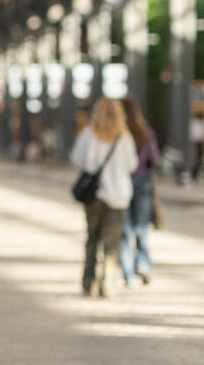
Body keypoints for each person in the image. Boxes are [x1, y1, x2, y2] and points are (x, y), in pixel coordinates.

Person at [70, 97, 138, 298]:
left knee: (92, 238)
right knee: (112, 241)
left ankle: (88, 281)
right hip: (118, 195)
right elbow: (132, 165)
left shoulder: (88, 135)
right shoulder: (125, 137)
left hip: (95, 194)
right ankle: (108, 283)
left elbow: (77, 160)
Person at [118, 96, 160, 288]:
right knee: (141, 227)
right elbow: (155, 159)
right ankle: (143, 265)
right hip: (142, 181)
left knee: (125, 229)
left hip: (122, 182)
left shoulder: (119, 133)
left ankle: (128, 274)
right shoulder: (146, 132)